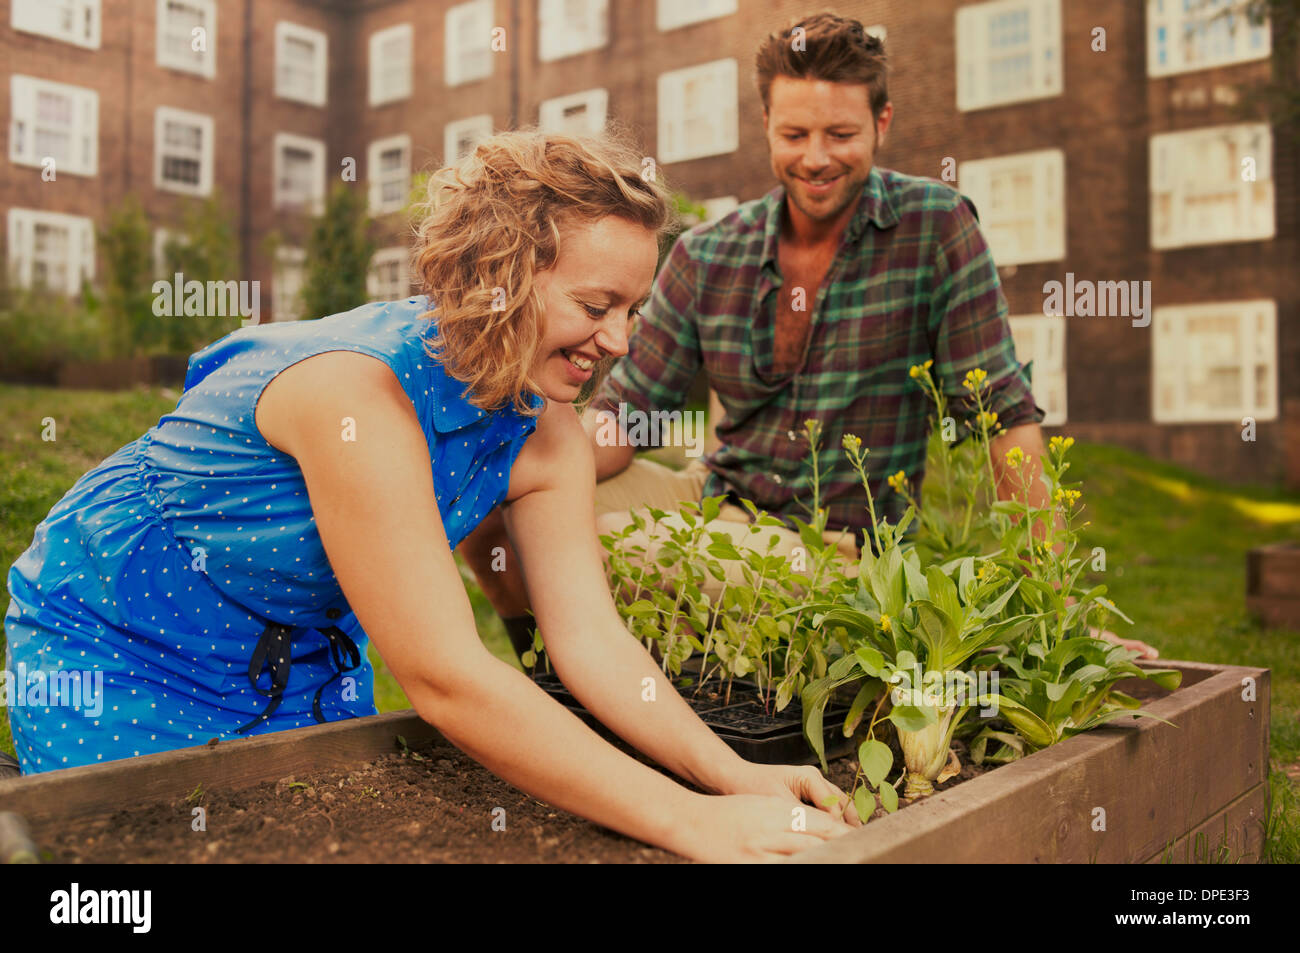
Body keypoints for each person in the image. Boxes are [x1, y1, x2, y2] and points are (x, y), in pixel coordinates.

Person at [3, 130, 859, 861]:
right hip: (120, 641)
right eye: (597, 304)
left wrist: (729, 775)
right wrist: (694, 825)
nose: (621, 341)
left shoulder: (548, 426)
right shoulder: (357, 399)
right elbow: (445, 678)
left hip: (283, 649)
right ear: (502, 274)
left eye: (632, 308)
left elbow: (590, 639)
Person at [460, 11, 1157, 661]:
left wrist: (1052, 611)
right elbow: (629, 418)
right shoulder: (708, 254)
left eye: (841, 135)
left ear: (882, 121)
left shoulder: (936, 229)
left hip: (836, 548)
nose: (816, 158)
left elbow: (1005, 419)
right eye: (795, 135)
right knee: (500, 506)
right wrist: (497, 470)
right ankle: (548, 675)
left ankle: (604, 679)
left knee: (600, 546)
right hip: (710, 501)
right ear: (765, 123)